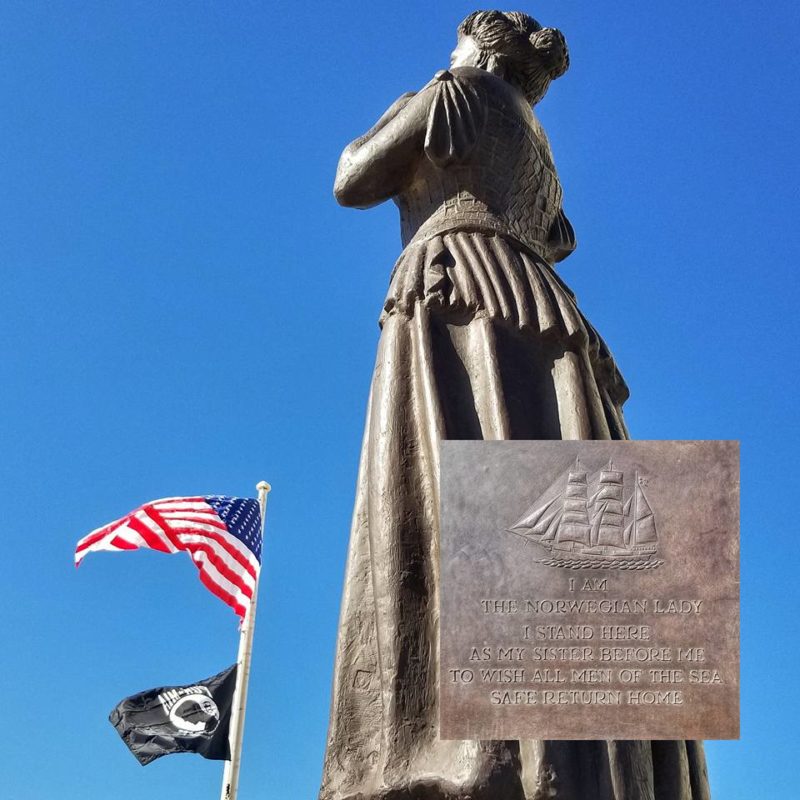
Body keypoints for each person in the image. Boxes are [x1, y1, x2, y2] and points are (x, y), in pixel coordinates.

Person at [321, 11, 710, 800]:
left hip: (457, 287)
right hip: (543, 307)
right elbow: (558, 238)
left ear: (478, 49)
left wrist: (414, 100)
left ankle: (467, 756)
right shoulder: (539, 151)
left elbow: (352, 179)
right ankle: (581, 758)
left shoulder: (450, 91)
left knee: (443, 498)